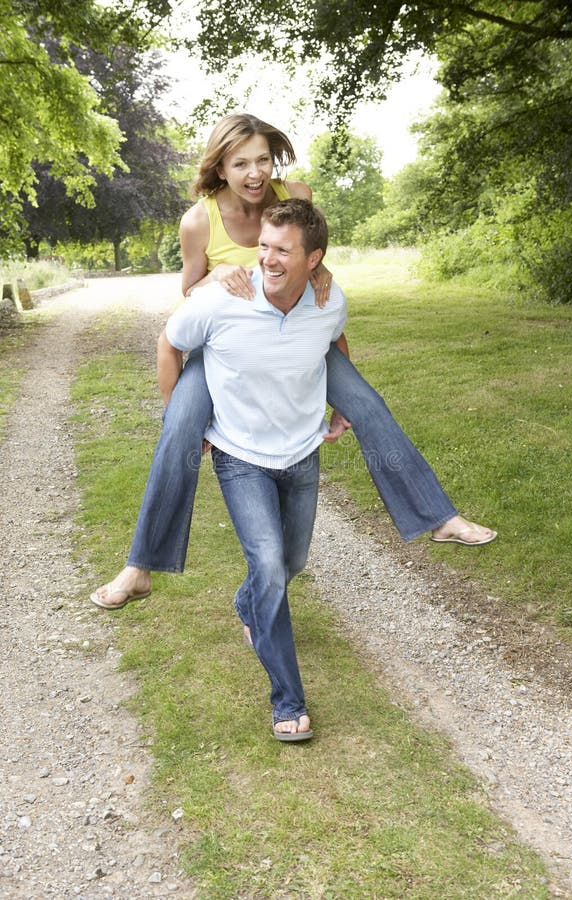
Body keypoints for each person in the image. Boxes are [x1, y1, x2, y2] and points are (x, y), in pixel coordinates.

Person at [90, 113, 495, 611]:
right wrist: (221, 279)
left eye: (263, 159)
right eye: (240, 163)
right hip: (228, 342)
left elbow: (311, 250)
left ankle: (439, 517)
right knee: (178, 428)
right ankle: (140, 566)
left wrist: (320, 270)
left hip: (297, 330)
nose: (255, 172)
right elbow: (188, 287)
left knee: (366, 404)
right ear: (220, 165)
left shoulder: (295, 192)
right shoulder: (200, 219)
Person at [164, 199, 346, 739]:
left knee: (290, 562)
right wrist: (185, 419)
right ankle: (288, 701)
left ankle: (246, 603)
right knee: (268, 563)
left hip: (301, 452)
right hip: (239, 455)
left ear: (313, 259)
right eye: (263, 244)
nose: (266, 258)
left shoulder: (327, 299)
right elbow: (170, 344)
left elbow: (335, 342)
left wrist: (344, 403)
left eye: (281, 249)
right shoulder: (224, 297)